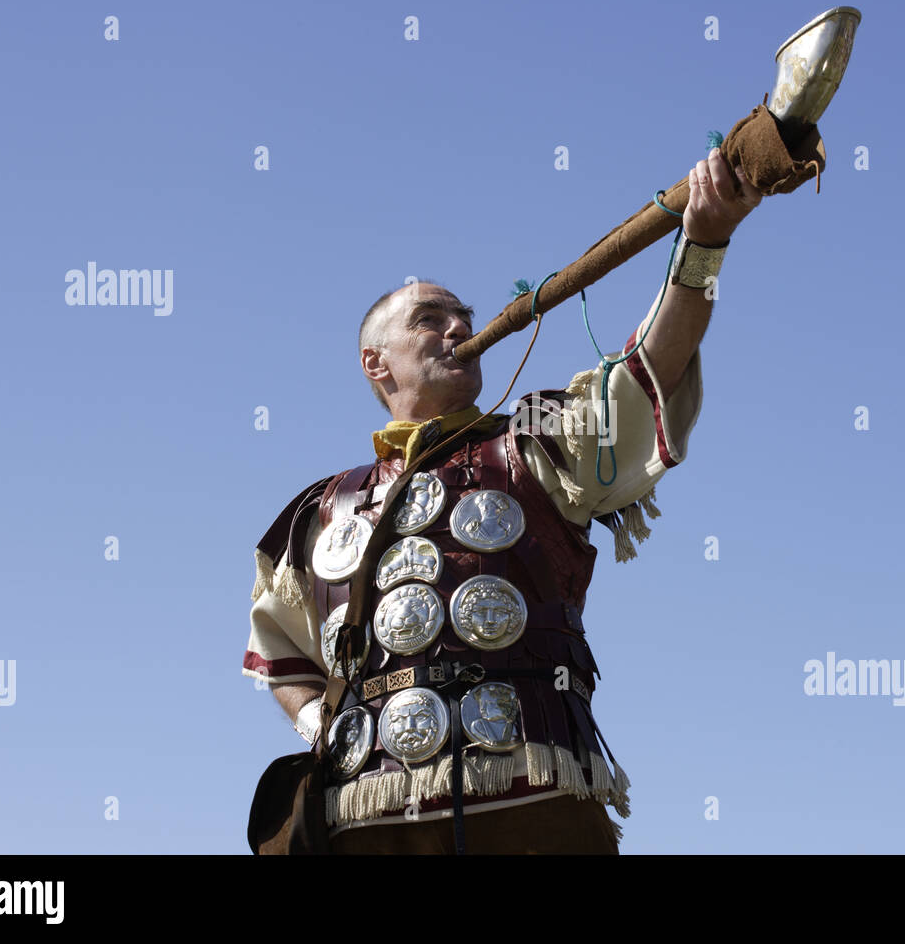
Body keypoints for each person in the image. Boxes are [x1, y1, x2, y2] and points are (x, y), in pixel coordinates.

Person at [243, 146, 764, 853]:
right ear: (377, 361)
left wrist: (702, 243)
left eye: (463, 317)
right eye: (432, 319)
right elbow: (283, 656)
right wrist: (320, 733)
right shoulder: (316, 512)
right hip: (365, 820)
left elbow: (643, 381)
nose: (459, 328)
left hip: (532, 800)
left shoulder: (534, 442)